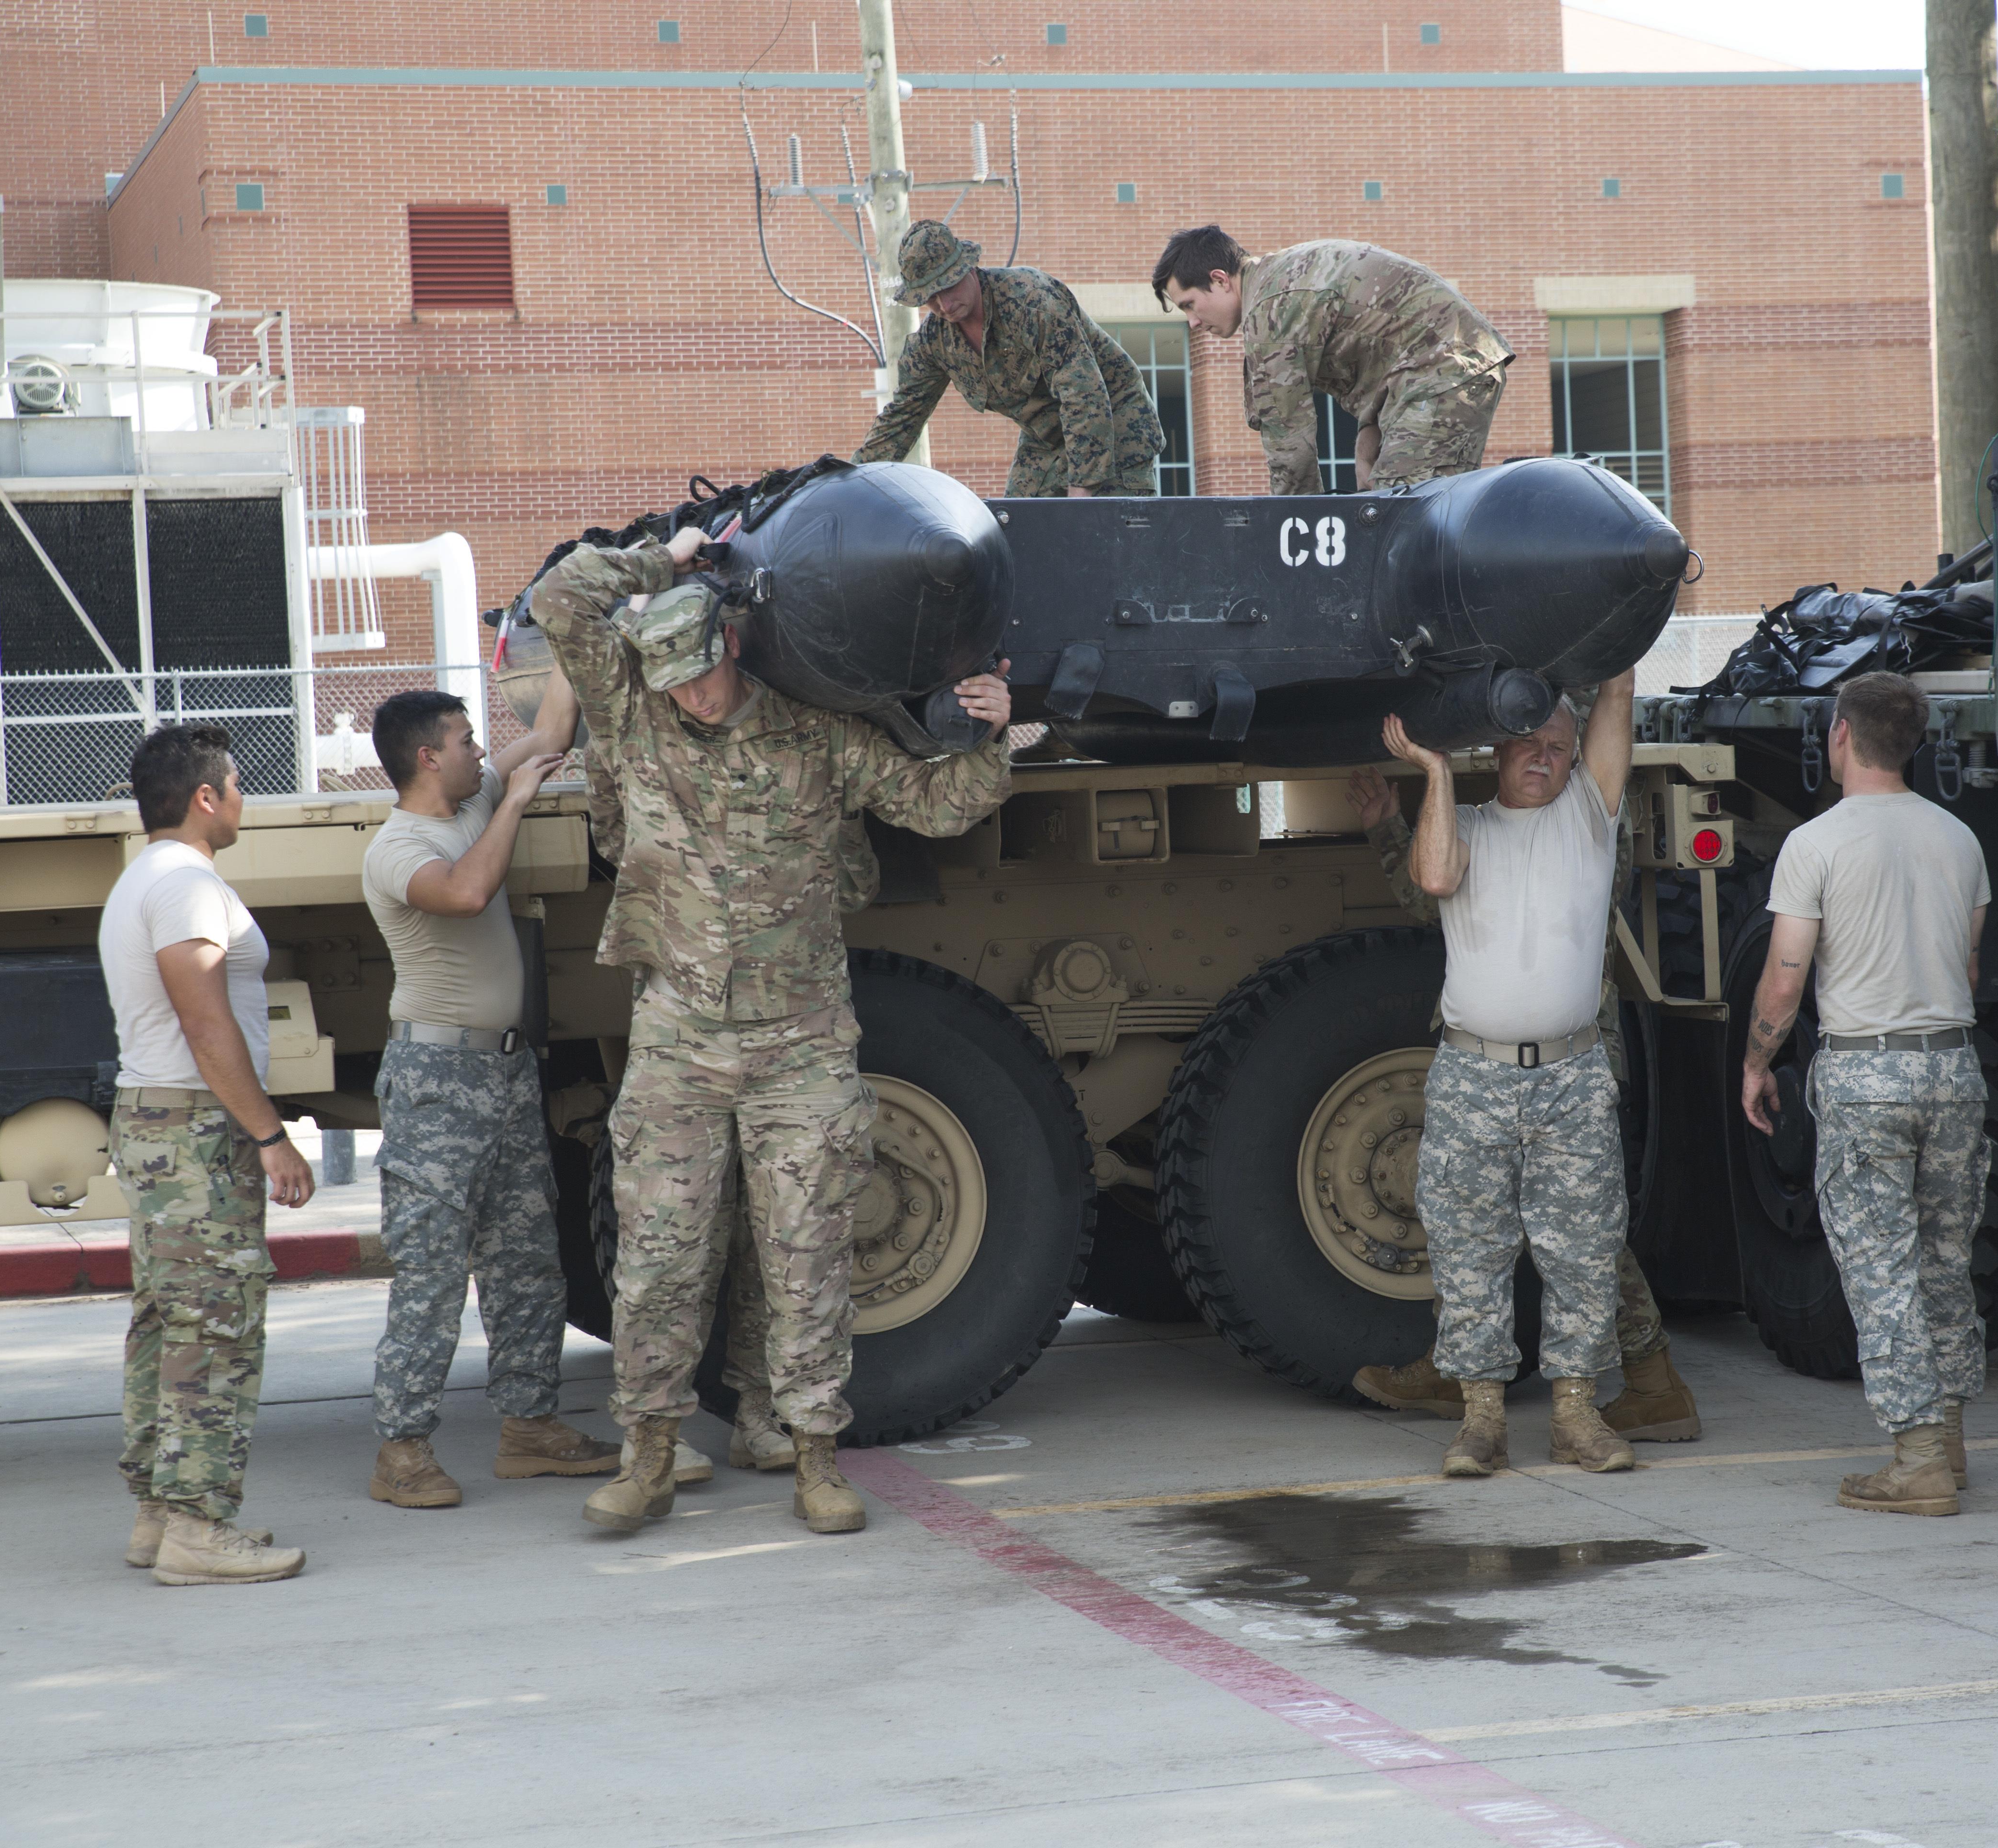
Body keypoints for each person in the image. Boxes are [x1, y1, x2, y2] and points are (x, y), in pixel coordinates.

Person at [529, 526, 1014, 1536]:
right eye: (672, 682)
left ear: (734, 648)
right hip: (678, 1042)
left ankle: (813, 1456)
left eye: (702, 676)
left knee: (809, 1257)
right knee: (661, 1262)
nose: (690, 698)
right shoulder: (635, 715)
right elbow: (564, 598)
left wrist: (995, 734)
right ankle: (648, 1456)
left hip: (800, 1046)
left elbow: (936, 804)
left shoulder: (815, 737)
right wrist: (666, 559)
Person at [1344, 761, 1702, 1443]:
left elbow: (1434, 898)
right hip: (1552, 1047)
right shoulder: (1544, 819)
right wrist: (1392, 828)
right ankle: (1482, 1375)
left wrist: (1396, 828)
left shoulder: (1580, 822)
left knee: (1573, 1235)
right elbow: (1436, 895)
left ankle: (1649, 1381)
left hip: (1568, 1049)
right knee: (1487, 1224)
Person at [356, 678, 620, 1510]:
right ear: (428, 758)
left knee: (528, 1265)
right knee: (432, 1275)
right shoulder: (399, 848)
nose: (483, 751)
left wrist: (573, 648)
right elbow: (466, 893)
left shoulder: (473, 799)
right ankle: (402, 1451)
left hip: (504, 1075)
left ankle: (530, 1428)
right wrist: (516, 806)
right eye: (468, 741)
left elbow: (547, 735)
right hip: (437, 1083)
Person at [1742, 672, 1992, 1517]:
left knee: (1882, 1272)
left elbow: (1784, 984)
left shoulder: (1817, 844)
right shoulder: (1959, 839)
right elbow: (1967, 967)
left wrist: (1754, 1064)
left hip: (1867, 1072)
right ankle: (1950, 1442)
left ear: (1841, 735)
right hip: (1953, 1066)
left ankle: (1917, 1460)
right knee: (1945, 1263)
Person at [1386, 673, 1640, 1479]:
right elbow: (1432, 878)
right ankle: (1480, 1422)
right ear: (1497, 746)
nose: (1546, 756)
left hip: (1570, 1075)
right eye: (1531, 740)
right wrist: (1432, 771)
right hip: (1475, 1075)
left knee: (1584, 1254)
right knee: (1470, 1254)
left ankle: (1577, 1416)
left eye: (1561, 747)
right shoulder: (1460, 825)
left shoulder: (1589, 819)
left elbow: (1619, 699)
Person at [99, 723, 314, 1585]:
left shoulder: (145, 877)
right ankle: (198, 1528)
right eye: (236, 783)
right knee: (215, 1325)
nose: (241, 798)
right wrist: (270, 1135)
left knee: (170, 1318)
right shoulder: (186, 883)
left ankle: (159, 1512)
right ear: (204, 798)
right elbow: (203, 1019)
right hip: (193, 1130)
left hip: (161, 1121)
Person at [1150, 224, 1512, 497]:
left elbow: (1290, 446)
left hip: (1446, 371)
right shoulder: (1278, 282)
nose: (1194, 323)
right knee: (1384, 503)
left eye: (1189, 305)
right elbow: (1383, 344)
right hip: (1438, 369)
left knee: (1403, 515)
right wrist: (1370, 435)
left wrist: (1295, 537)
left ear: (1220, 280)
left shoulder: (1270, 313)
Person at [856, 219, 1165, 497]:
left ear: (968, 269)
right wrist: (848, 483)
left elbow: (1083, 395)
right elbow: (902, 417)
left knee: (1106, 537)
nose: (945, 304)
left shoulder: (1031, 301)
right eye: (930, 298)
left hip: (1114, 420)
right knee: (1017, 530)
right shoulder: (933, 342)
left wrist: (1082, 491)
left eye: (948, 287)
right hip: (1045, 438)